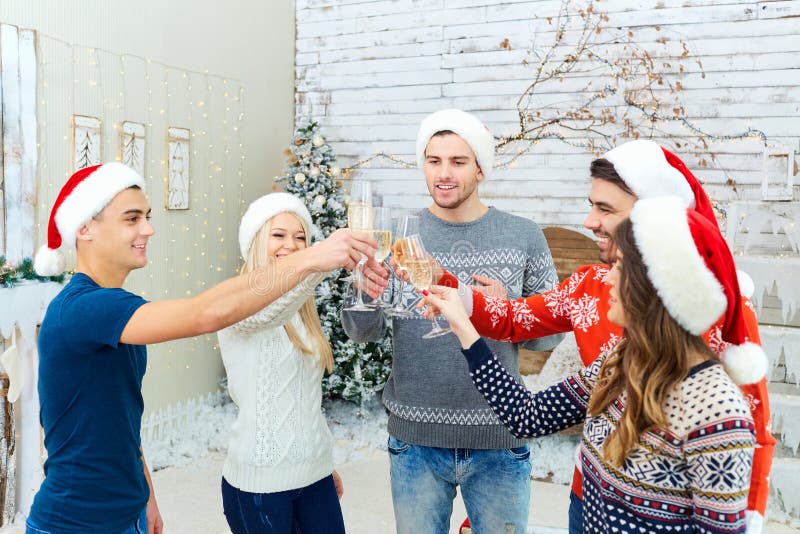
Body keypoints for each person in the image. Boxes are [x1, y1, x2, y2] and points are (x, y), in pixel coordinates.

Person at [425, 140, 773, 533]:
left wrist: (751, 515)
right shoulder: (615, 349)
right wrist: (450, 294)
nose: (589, 221)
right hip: (591, 497)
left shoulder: (715, 355)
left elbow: (752, 435)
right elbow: (525, 398)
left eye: (605, 208)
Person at [27, 164, 380, 534]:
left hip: (125, 512)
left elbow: (117, 416)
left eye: (147, 217)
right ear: (84, 228)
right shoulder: (83, 309)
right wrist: (312, 259)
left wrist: (144, 495)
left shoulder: (115, 306)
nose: (148, 229)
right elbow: (206, 313)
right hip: (73, 522)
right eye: (132, 219)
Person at [344, 109, 562, 533]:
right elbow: (360, 333)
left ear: (481, 169)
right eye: (434, 160)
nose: (444, 173)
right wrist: (362, 293)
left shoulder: (523, 235)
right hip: (416, 440)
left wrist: (510, 311)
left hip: (500, 438)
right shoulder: (397, 236)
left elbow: (547, 337)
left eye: (458, 162)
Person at [217, 193, 345, 534]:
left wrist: (321, 460)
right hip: (259, 483)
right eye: (279, 235)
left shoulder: (303, 307)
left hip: (314, 476)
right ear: (256, 241)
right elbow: (268, 312)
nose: (291, 244)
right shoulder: (233, 299)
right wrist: (319, 263)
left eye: (300, 237)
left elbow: (305, 398)